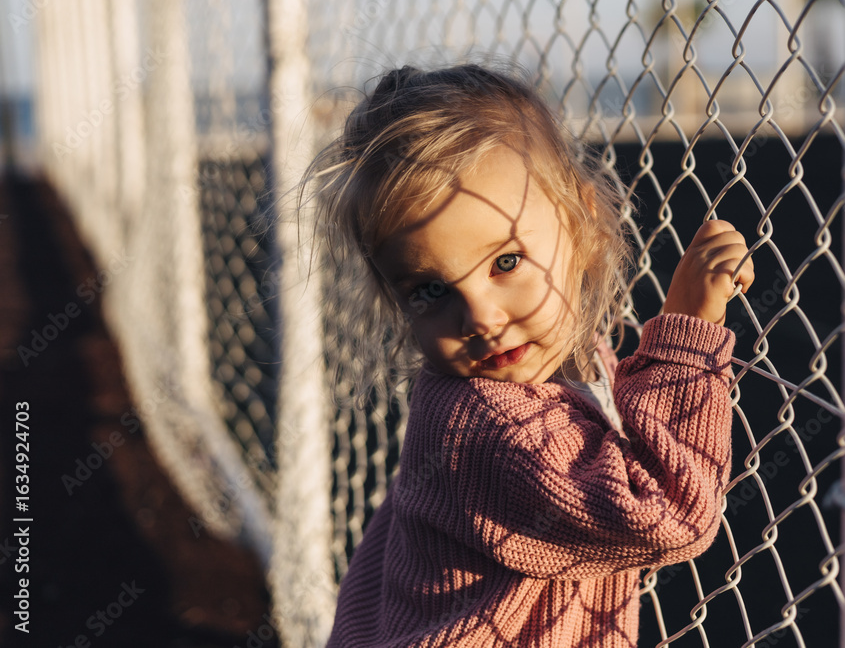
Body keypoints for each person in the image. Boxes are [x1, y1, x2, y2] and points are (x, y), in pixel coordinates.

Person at [304, 62, 755, 647]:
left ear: (581, 221)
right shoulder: (488, 425)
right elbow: (667, 513)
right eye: (431, 291)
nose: (481, 319)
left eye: (506, 263)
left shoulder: (565, 366)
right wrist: (687, 333)